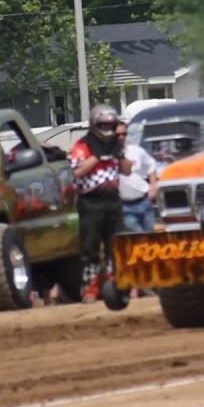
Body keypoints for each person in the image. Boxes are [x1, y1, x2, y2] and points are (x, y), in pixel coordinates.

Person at [69, 105, 132, 302]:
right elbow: (77, 172)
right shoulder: (83, 144)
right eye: (103, 125)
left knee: (117, 244)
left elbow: (127, 170)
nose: (107, 129)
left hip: (113, 201)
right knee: (90, 246)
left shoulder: (117, 145)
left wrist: (120, 155)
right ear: (95, 125)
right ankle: (90, 288)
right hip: (91, 202)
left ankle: (118, 285)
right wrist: (97, 157)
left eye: (111, 125)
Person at [116, 120, 158, 234]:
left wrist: (153, 185)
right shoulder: (108, 156)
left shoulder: (136, 151)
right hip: (125, 205)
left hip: (144, 200)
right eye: (118, 135)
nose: (121, 137)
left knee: (151, 237)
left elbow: (151, 165)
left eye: (124, 134)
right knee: (137, 236)